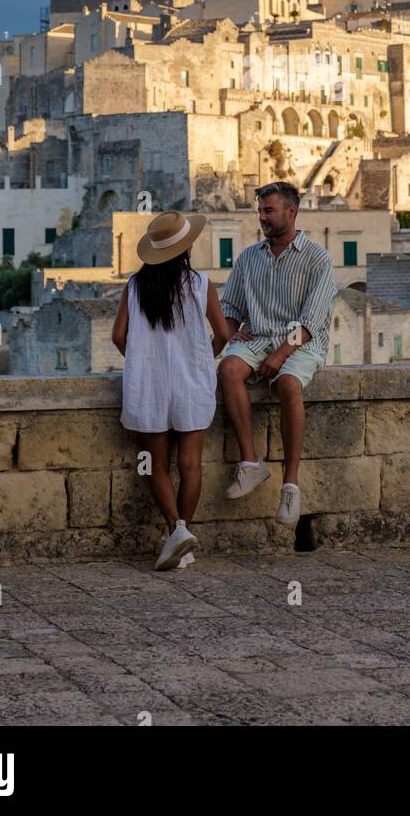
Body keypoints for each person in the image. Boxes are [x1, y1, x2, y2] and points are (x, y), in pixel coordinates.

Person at [111, 209, 231, 571]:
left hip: (149, 385)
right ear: (185, 248)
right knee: (191, 464)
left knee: (153, 465)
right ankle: (182, 535)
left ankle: (175, 533)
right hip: (191, 383)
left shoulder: (134, 286)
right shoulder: (201, 285)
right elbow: (223, 334)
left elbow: (118, 336)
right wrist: (202, 359)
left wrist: (140, 360)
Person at [217, 182, 337, 526]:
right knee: (228, 370)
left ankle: (291, 484)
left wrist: (281, 353)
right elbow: (231, 305)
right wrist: (229, 332)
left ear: (291, 211)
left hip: (301, 342)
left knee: (286, 384)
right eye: (260, 211)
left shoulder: (317, 257)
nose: (262, 218)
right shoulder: (248, 257)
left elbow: (313, 320)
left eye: (268, 211)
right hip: (259, 337)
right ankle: (251, 463)